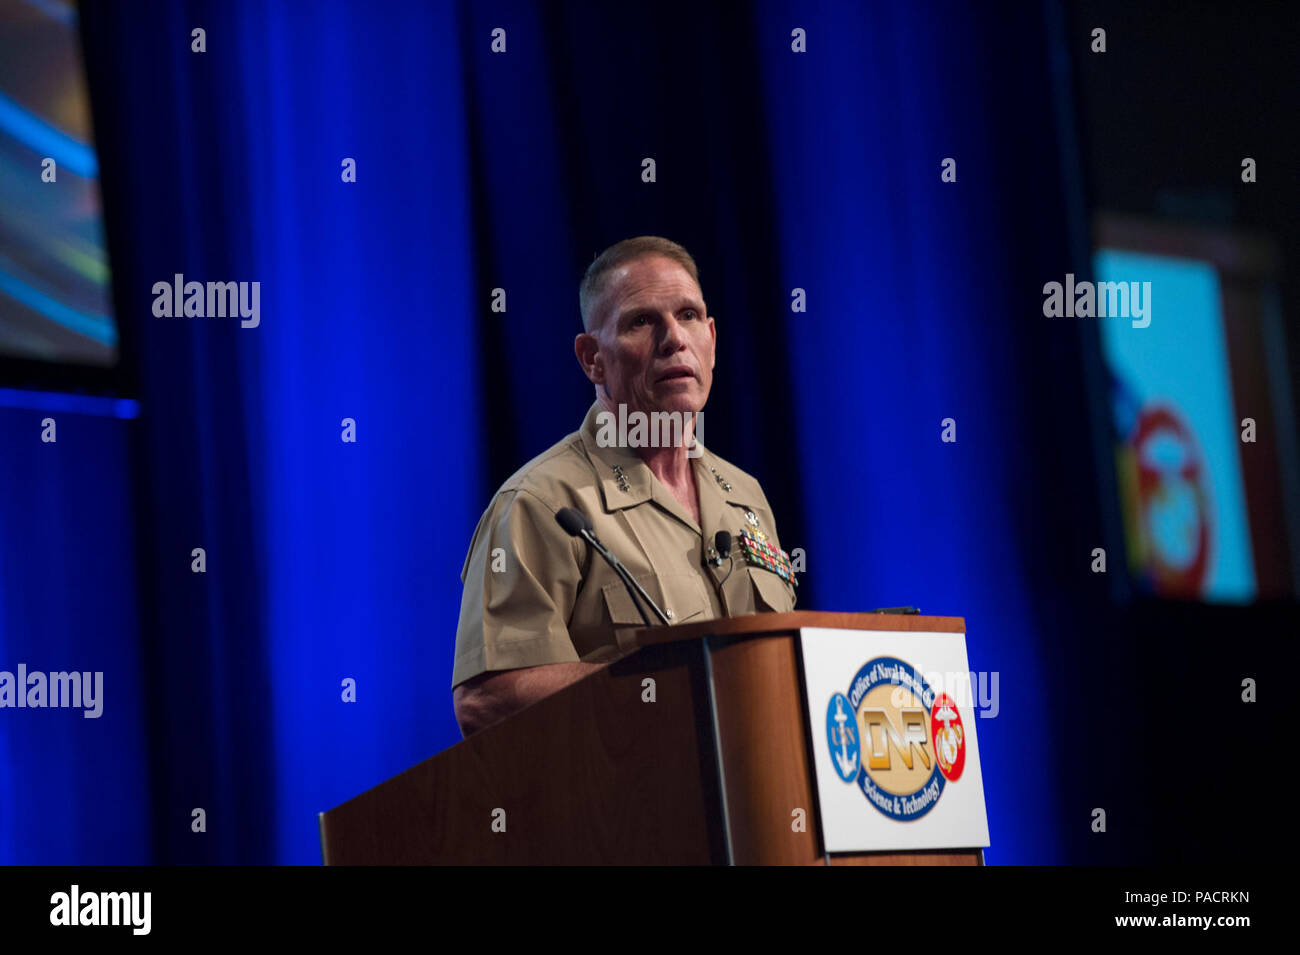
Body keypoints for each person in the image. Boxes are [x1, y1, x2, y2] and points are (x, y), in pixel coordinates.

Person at [451, 236, 797, 736]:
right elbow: (489, 699)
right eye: (641, 321)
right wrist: (665, 689)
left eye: (689, 316)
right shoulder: (543, 503)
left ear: (713, 340)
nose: (675, 339)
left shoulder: (745, 496)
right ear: (592, 358)